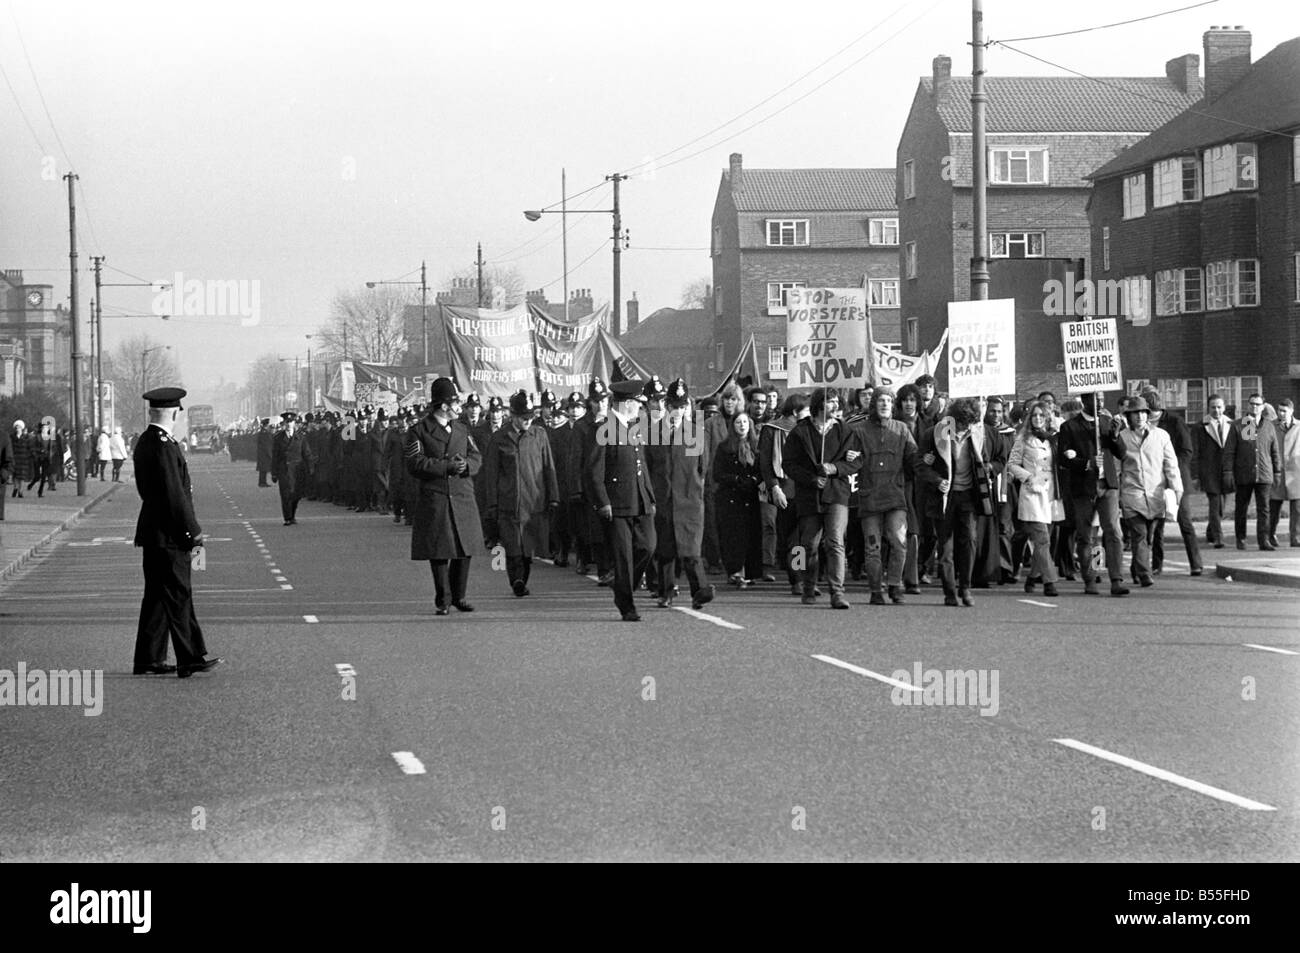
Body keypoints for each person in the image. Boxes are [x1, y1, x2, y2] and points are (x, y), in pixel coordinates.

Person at [132, 387, 223, 678]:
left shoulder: (148, 441)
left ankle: (148, 658)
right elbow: (174, 495)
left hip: (154, 532)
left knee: (157, 599)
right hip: (169, 533)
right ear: (173, 413)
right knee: (179, 594)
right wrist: (192, 532)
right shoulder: (163, 445)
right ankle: (190, 657)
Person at [916, 396, 1007, 607]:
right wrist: (937, 480)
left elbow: (999, 460)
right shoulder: (935, 434)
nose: (965, 428)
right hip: (943, 498)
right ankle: (949, 592)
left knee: (969, 541)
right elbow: (920, 465)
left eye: (970, 423)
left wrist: (989, 469)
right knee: (945, 547)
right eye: (962, 423)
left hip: (969, 496)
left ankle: (965, 587)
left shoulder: (980, 435)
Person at [407, 378, 483, 615]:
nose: (458, 407)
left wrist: (466, 466)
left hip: (462, 495)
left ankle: (459, 596)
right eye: (454, 402)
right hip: (437, 496)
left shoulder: (461, 429)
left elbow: (476, 456)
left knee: (464, 547)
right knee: (440, 550)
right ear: (442, 406)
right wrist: (445, 466)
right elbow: (414, 463)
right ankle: (443, 598)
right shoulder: (419, 431)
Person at [783, 388, 863, 609]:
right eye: (830, 402)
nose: (835, 406)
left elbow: (857, 461)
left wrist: (835, 468)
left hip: (837, 493)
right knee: (808, 544)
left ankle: (837, 592)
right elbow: (788, 464)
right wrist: (810, 479)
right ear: (819, 405)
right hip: (809, 496)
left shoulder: (846, 431)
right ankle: (807, 585)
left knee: (835, 541)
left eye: (837, 402)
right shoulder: (800, 432)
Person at [587, 379, 657, 622]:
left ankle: (623, 584)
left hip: (640, 499)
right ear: (627, 403)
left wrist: (649, 495)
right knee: (624, 556)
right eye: (638, 403)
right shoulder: (605, 428)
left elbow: (642, 464)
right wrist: (603, 501)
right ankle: (627, 604)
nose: (641, 407)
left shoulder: (635, 425)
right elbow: (594, 470)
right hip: (617, 503)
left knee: (648, 546)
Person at [483, 390, 559, 597]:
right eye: (523, 417)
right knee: (512, 545)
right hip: (509, 501)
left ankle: (522, 578)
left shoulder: (539, 435)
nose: (528, 420)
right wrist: (492, 503)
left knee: (527, 548)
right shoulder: (500, 438)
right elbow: (491, 474)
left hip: (534, 500)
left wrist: (553, 496)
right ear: (513, 416)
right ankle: (516, 579)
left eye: (530, 417)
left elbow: (548, 466)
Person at [646, 378, 714, 610]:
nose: (678, 411)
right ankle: (665, 592)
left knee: (692, 551)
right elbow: (646, 468)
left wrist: (697, 494)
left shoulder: (696, 433)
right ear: (666, 406)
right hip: (663, 500)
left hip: (690, 501)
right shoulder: (654, 433)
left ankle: (700, 591)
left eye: (682, 406)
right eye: (674, 406)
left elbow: (703, 469)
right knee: (666, 551)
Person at [850, 387, 920, 605]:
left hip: (895, 497)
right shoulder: (859, 431)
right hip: (869, 498)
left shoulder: (901, 429)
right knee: (873, 547)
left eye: (888, 401)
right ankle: (875, 589)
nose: (884, 405)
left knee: (899, 543)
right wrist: (850, 457)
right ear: (874, 404)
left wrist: (925, 459)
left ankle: (894, 585)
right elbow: (851, 461)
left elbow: (913, 459)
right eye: (880, 400)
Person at [1105, 396, 1182, 587]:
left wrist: (1176, 487)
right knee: (1139, 534)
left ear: (1148, 415)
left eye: (1142, 412)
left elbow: (1171, 463)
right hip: (1132, 494)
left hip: (1155, 494)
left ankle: (1136, 568)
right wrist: (1113, 490)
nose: (1139, 417)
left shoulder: (1161, 436)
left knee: (1149, 536)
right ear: (1128, 416)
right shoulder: (1122, 437)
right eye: (1134, 413)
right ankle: (1145, 573)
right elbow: (1115, 466)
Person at [1057, 392, 1129, 596]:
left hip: (1107, 486)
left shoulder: (1107, 422)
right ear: (1084, 400)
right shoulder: (1069, 427)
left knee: (1114, 531)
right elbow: (1063, 459)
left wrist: (1114, 437)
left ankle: (1116, 579)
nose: (1099, 402)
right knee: (1086, 534)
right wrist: (1086, 463)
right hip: (1084, 487)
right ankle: (1090, 577)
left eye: (1102, 398)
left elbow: (1121, 453)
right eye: (1094, 398)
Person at [1143, 390, 1202, 576]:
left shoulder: (1175, 422)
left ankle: (1196, 563)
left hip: (1176, 478)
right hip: (1154, 479)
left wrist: (1171, 468)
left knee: (1184, 521)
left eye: (1151, 412)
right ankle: (1156, 564)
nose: (1148, 416)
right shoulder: (1141, 424)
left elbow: (1187, 450)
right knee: (1156, 525)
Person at [1007, 401, 1062, 597]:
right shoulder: (1023, 439)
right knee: (1042, 540)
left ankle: (1032, 577)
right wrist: (1028, 477)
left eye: (1041, 415)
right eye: (1034, 415)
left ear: (1048, 418)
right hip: (1032, 494)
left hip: (1051, 495)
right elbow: (1012, 465)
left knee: (1042, 543)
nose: (1037, 419)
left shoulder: (1053, 440)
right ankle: (1050, 582)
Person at [759, 392, 807, 595]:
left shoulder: (809, 431)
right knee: (790, 537)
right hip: (783, 489)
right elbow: (765, 462)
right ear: (796, 411)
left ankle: (800, 577)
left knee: (801, 538)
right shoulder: (772, 430)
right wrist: (774, 487)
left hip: (805, 490)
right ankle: (795, 576)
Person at [1223, 393, 1281, 551]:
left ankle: (1264, 540)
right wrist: (1228, 471)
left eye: (1258, 404)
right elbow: (1230, 451)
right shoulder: (1240, 425)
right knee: (1242, 507)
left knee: (1264, 508)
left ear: (1263, 407)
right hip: (1244, 473)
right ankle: (1240, 538)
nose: (1255, 407)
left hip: (1264, 473)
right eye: (1252, 404)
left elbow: (1274, 451)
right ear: (1248, 405)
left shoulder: (1269, 426)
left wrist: (1277, 471)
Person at [713, 411, 764, 588]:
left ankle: (750, 572)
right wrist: (735, 480)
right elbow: (717, 474)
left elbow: (762, 470)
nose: (742, 425)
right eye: (738, 422)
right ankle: (734, 571)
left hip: (750, 496)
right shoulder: (724, 447)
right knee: (733, 537)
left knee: (751, 535)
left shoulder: (757, 446)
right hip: (730, 498)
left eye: (745, 422)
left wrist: (754, 480)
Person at [1196, 394, 1232, 548]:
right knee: (1214, 503)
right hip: (1209, 471)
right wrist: (1196, 474)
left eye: (1219, 407)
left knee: (1222, 506)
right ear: (1208, 408)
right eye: (1213, 407)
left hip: (1226, 471)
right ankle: (1218, 537)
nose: (1216, 410)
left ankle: (1211, 532)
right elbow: (1195, 452)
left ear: (1224, 408)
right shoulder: (1200, 426)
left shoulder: (1233, 424)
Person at [271, 411, 316, 526]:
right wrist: (274, 473)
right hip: (284, 470)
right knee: (285, 494)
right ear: (283, 423)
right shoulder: (278, 438)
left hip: (297, 470)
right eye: (286, 422)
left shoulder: (300, 437)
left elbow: (307, 453)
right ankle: (287, 517)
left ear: (294, 423)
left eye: (290, 422)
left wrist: (310, 467)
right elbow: (275, 456)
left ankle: (293, 515)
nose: (288, 424)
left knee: (296, 494)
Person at [1269, 398, 1299, 547]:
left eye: (1284, 411)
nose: (1281, 414)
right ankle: (1270, 534)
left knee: (1298, 508)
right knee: (1274, 506)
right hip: (1277, 471)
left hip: (1296, 471)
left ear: (1292, 411)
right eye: (1279, 410)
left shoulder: (1299, 427)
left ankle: (1296, 537)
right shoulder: (1270, 426)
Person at [8, 420, 31, 499]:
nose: (18, 429)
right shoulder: (11, 437)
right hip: (15, 458)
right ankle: (15, 488)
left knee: (22, 476)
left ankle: (20, 491)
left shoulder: (26, 437)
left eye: (19, 427)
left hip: (23, 458)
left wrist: (28, 456)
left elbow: (29, 448)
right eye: (17, 427)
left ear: (22, 428)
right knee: (15, 476)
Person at [255, 418, 273, 487]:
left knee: (263, 469)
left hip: (262, 454)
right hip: (264, 454)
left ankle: (263, 482)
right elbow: (267, 445)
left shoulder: (262, 433)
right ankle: (262, 482)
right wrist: (270, 454)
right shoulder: (265, 433)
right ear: (266, 425)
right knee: (263, 469)